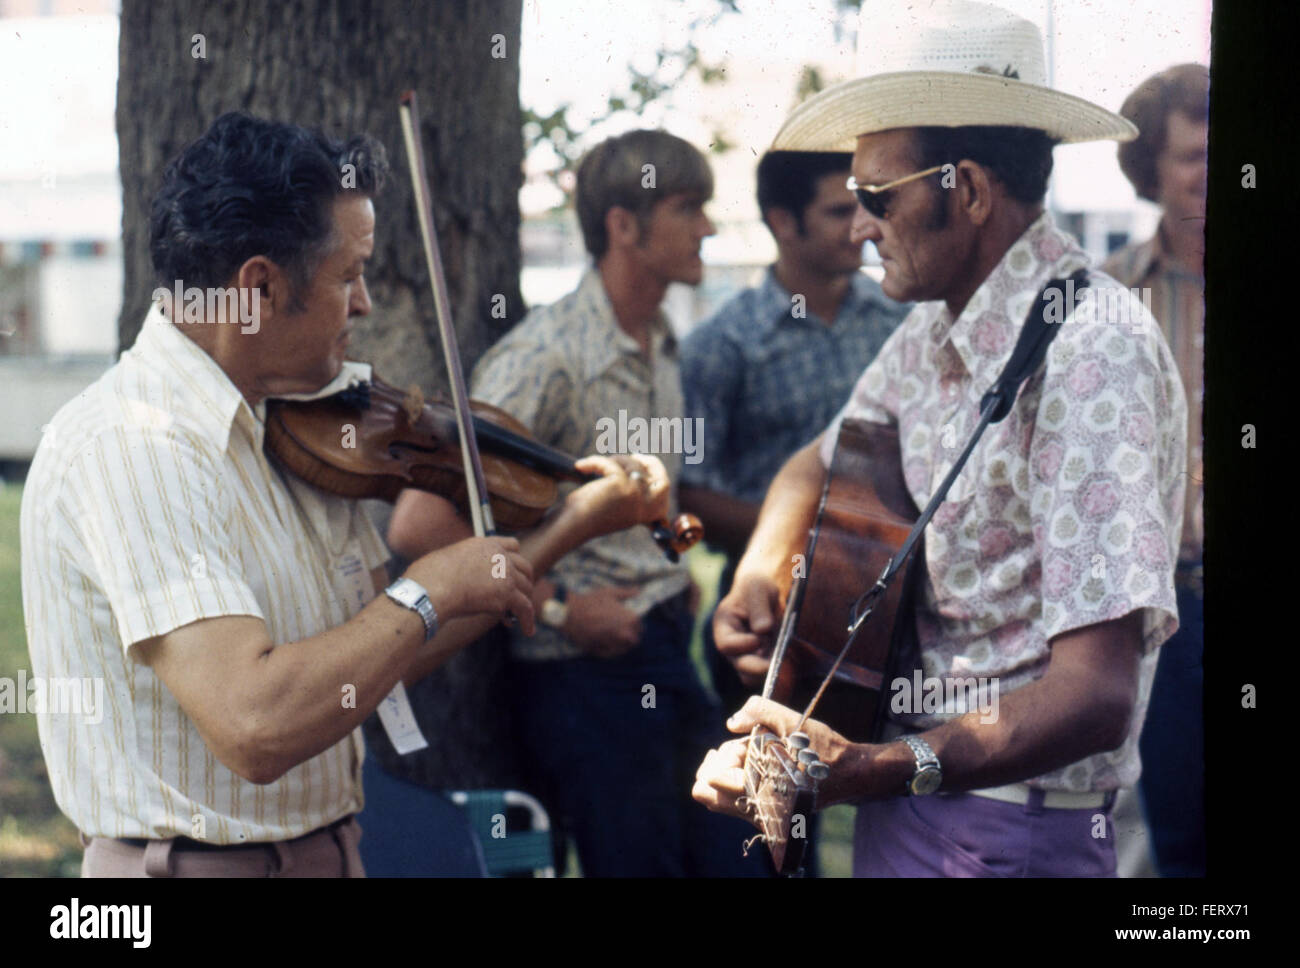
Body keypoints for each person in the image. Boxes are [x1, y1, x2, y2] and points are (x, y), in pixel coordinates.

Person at [20, 112, 671, 878]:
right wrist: (432, 585)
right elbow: (256, 724)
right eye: (348, 274)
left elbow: (375, 651)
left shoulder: (293, 420)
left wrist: (566, 523)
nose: (363, 303)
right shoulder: (136, 445)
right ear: (258, 285)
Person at [692, 0, 1188, 878]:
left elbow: (1094, 695)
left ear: (967, 190)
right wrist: (759, 574)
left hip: (1012, 833)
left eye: (876, 197)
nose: (857, 228)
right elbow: (817, 460)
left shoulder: (1092, 352)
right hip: (917, 808)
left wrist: (874, 769)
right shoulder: (932, 330)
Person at [388, 129, 761, 877]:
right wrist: (561, 609)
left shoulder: (661, 338)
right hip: (581, 670)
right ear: (623, 226)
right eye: (689, 208)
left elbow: (653, 498)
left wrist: (674, 563)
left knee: (740, 854)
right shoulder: (547, 355)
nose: (709, 228)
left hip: (659, 646)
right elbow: (417, 525)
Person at [680, 149, 908, 716]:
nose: (860, 227)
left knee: (884, 779)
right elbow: (691, 490)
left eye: (863, 207)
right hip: (767, 607)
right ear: (783, 221)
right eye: (837, 212)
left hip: (890, 605)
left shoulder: (900, 322)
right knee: (771, 793)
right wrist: (811, 535)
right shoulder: (724, 344)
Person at [1104, 63, 1208, 878]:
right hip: (1165, 608)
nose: (1213, 173)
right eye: (1193, 155)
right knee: (1173, 826)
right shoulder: (1109, 297)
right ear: (1152, 172)